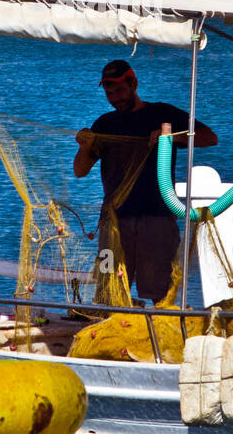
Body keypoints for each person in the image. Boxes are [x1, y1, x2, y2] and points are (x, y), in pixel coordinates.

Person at [73, 60, 218, 303]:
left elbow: (209, 137)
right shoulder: (104, 124)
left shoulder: (162, 114)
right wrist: (85, 146)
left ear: (134, 84)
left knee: (160, 292)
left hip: (157, 220)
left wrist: (171, 136)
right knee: (110, 291)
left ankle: (160, 334)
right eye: (109, 93)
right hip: (114, 224)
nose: (115, 98)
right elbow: (79, 170)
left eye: (119, 91)